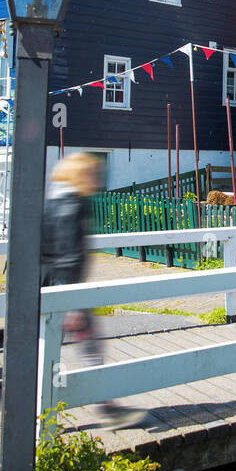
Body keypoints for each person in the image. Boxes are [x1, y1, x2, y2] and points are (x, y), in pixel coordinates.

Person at [41, 153, 146, 430]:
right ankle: (106, 409)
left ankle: (38, 413)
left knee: (48, 351)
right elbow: (67, 255)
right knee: (90, 348)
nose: (96, 179)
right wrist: (73, 301)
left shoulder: (53, 200)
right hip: (66, 292)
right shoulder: (71, 204)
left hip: (51, 287)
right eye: (90, 173)